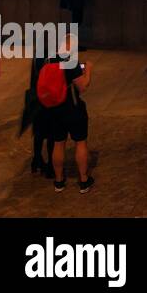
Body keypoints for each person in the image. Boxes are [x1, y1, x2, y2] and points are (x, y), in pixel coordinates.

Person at [43, 36, 94, 194]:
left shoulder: (49, 60)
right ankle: (84, 181)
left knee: (58, 143)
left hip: (54, 108)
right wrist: (88, 70)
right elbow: (83, 86)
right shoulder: (71, 63)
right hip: (72, 108)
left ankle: (59, 181)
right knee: (80, 142)